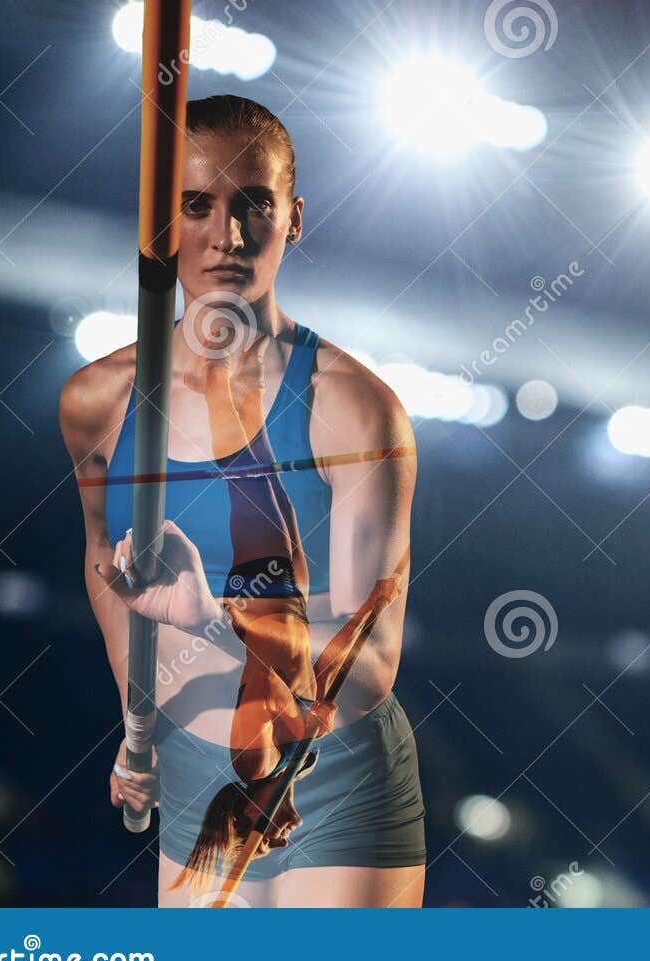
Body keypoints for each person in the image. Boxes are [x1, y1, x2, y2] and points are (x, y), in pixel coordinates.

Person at [58, 94, 425, 907]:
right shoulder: (98, 401)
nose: (227, 235)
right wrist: (140, 725)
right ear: (161, 223)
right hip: (198, 759)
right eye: (198, 205)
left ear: (293, 219)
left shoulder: (354, 411)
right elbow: (103, 563)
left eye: (253, 202)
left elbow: (365, 665)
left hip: (336, 767)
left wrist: (213, 615)